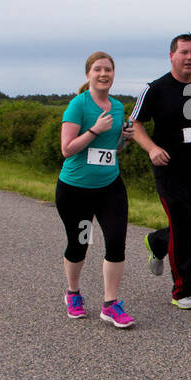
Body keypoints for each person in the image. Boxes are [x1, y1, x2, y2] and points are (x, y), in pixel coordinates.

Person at [129, 33, 191, 310]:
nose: (189, 57)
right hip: (169, 170)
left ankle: (158, 241)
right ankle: (182, 292)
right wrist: (151, 149)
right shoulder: (156, 89)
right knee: (182, 228)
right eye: (184, 52)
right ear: (171, 56)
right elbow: (134, 124)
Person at [55, 52, 135, 328]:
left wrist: (124, 139)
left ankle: (111, 304)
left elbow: (111, 151)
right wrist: (94, 130)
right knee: (80, 244)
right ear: (88, 74)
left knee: (116, 240)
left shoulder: (117, 107)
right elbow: (67, 149)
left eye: (109, 70)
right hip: (76, 190)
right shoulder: (78, 105)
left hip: (109, 186)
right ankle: (73, 293)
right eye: (98, 69)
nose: (104, 74)